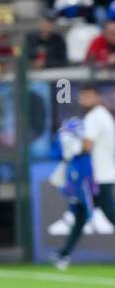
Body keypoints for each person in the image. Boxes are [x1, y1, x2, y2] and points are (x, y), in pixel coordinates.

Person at [55, 83, 115, 268]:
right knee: (81, 214)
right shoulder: (100, 115)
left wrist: (70, 144)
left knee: (110, 213)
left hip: (98, 176)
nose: (82, 100)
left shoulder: (95, 117)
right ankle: (63, 254)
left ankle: (63, 254)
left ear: (96, 96)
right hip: (98, 175)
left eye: (86, 96)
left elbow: (87, 146)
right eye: (81, 96)